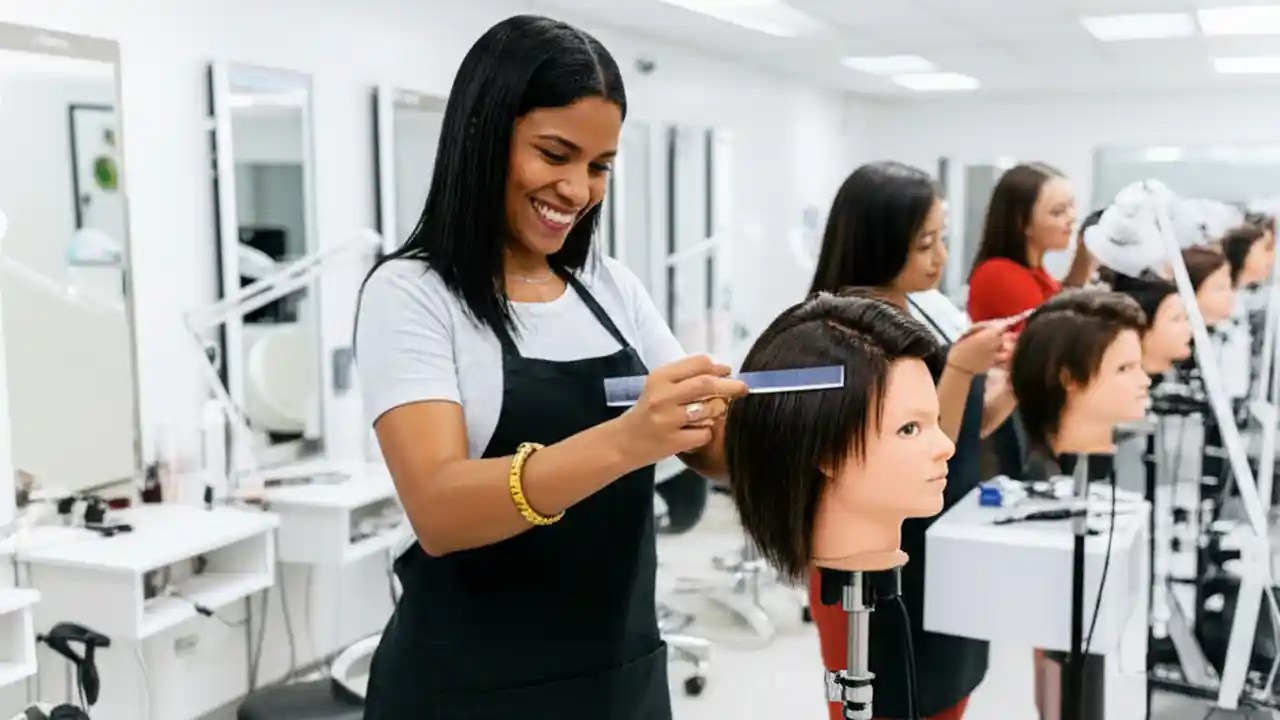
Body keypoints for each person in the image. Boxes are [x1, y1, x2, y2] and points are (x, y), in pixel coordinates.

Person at [353, 16, 747, 718]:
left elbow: (708, 444)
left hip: (618, 682)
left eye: (598, 166)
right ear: (483, 133)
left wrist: (789, 428)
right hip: (467, 693)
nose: (577, 189)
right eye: (555, 154)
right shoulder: (413, 294)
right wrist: (629, 440)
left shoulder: (611, 287)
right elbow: (439, 509)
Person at [805, 161, 1015, 720]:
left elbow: (960, 433)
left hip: (943, 542)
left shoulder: (924, 306)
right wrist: (962, 369)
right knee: (891, 700)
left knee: (947, 693)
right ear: (878, 240)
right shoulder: (841, 330)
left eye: (942, 239)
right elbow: (905, 448)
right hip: (882, 557)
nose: (941, 257)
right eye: (925, 244)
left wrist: (1012, 381)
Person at [967, 162, 1076, 324]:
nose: (1072, 217)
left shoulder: (1038, 274)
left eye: (1072, 206)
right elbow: (1055, 332)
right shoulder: (999, 275)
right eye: (1058, 212)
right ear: (1022, 222)